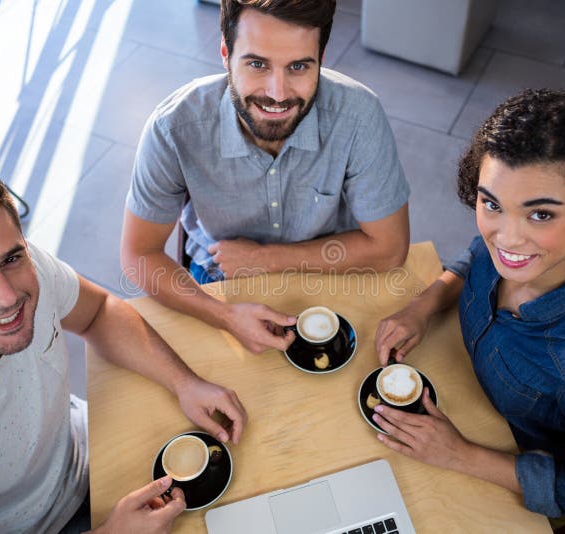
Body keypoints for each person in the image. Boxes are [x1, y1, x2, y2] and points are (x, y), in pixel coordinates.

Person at [0, 153, 248, 533]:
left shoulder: (24, 265)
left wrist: (185, 383)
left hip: (89, 449)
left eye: (11, 258)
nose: (6, 296)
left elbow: (98, 311)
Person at [372, 89, 565, 520]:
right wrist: (424, 303)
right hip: (461, 394)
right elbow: (475, 255)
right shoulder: (516, 253)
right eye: (491, 204)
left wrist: (459, 454)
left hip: (499, 468)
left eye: (541, 215)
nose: (507, 239)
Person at [120, 0, 411, 354]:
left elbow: (389, 249)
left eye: (299, 66)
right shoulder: (173, 127)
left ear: (321, 59)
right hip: (218, 283)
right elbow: (139, 254)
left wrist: (265, 259)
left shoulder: (360, 117)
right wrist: (224, 315)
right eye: (257, 64)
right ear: (226, 54)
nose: (277, 93)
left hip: (335, 272)